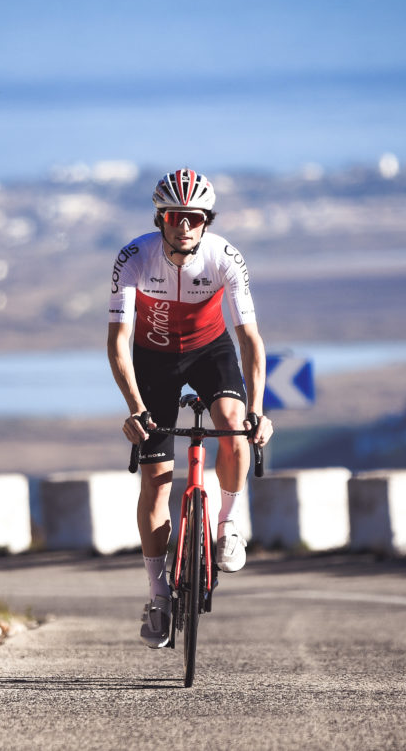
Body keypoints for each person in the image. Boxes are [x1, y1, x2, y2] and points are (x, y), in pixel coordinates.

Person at [107, 168, 272, 648]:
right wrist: (135, 407)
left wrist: (258, 409)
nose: (184, 226)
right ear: (161, 219)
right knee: (157, 482)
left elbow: (249, 341)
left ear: (206, 221)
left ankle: (227, 525)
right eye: (175, 217)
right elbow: (118, 343)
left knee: (233, 424)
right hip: (153, 359)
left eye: (194, 218)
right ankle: (158, 595)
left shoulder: (226, 258)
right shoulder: (134, 257)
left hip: (209, 352)